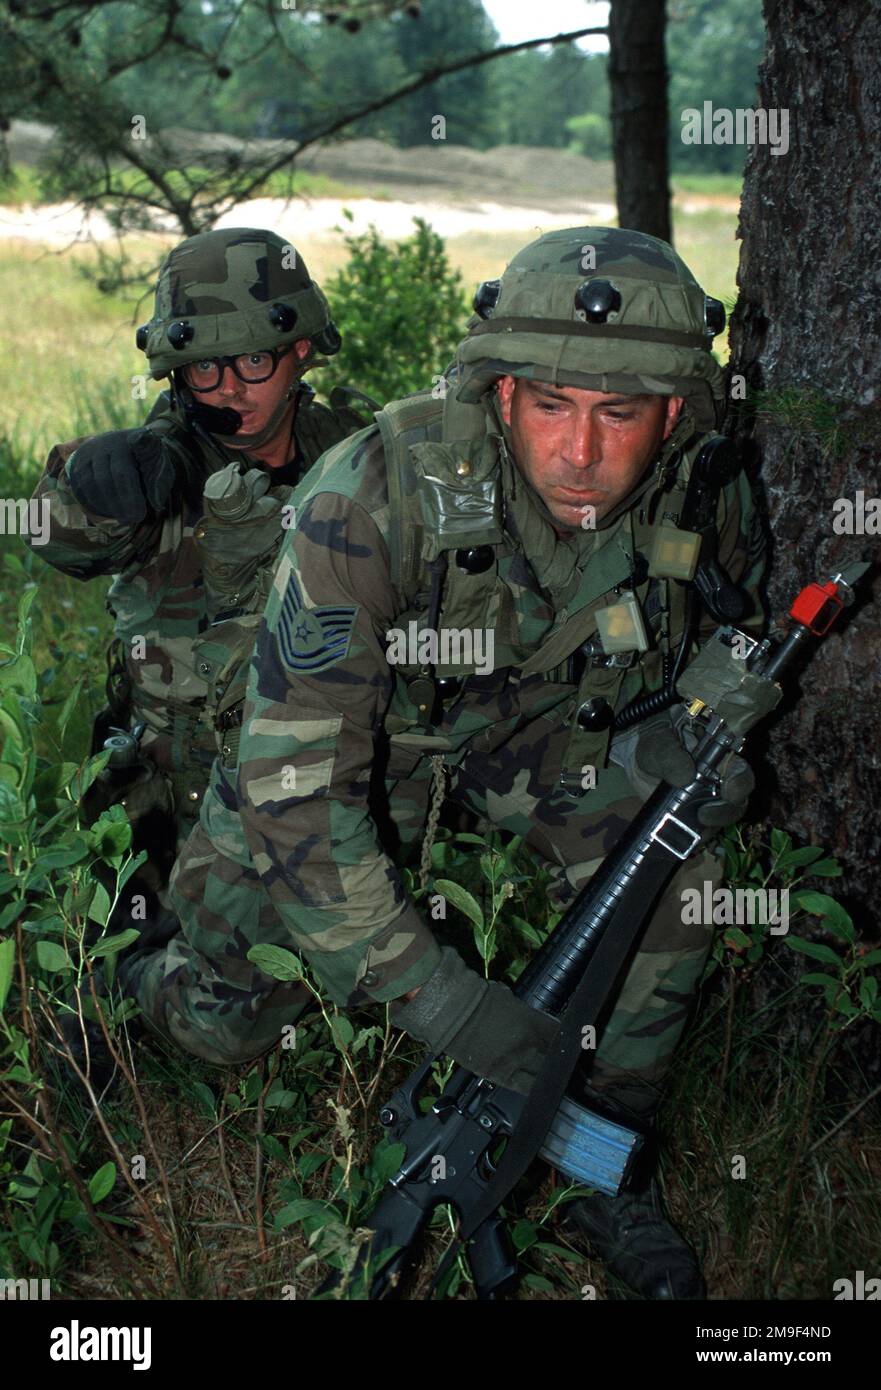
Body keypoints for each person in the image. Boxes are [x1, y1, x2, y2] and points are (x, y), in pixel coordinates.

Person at [121, 226, 767, 1299]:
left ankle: (599, 1151)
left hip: (527, 737)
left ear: (671, 412)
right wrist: (452, 1008)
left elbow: (713, 629)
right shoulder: (368, 493)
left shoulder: (700, 487)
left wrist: (688, 731)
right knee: (224, 1025)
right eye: (551, 406)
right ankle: (127, 960)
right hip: (351, 752)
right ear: (501, 396)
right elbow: (294, 792)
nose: (579, 452)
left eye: (618, 415)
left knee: (672, 844)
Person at [24, 227, 373, 899]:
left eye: (252, 364)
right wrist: (92, 487)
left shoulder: (350, 453)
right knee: (137, 979)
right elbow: (58, 534)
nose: (228, 391)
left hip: (324, 775)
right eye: (204, 369)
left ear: (299, 351)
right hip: (171, 795)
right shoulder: (161, 461)